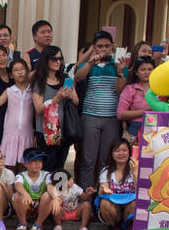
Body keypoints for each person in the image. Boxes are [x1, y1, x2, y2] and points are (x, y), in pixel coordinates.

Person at [73, 31, 127, 189]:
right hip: (90, 117)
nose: (103, 49)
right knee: (87, 159)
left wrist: (120, 72)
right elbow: (77, 77)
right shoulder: (89, 65)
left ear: (112, 47)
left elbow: (119, 90)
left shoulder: (118, 65)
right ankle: (86, 197)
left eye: (107, 46)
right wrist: (90, 63)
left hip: (111, 118)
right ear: (94, 48)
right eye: (99, 46)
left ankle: (102, 196)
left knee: (106, 160)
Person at [31, 45, 77, 174]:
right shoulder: (38, 81)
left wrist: (72, 95)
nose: (58, 62)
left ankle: (58, 194)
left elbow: (76, 101)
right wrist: (56, 98)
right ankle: (46, 194)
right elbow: (38, 108)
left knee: (60, 168)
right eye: (54, 59)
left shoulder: (65, 78)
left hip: (64, 130)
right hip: (46, 132)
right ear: (46, 60)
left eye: (60, 59)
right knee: (47, 168)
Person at [0, 57, 34, 167]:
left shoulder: (33, 91)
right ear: (11, 75)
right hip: (10, 133)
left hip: (26, 133)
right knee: (8, 165)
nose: (20, 72)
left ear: (27, 71)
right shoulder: (9, 91)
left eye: (22, 69)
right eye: (16, 70)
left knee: (25, 165)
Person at [12, 148, 58, 230]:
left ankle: (38, 224)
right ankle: (22, 223)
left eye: (40, 161)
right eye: (34, 161)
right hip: (26, 207)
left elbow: (50, 186)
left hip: (41, 208)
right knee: (18, 195)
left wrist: (55, 198)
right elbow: (18, 185)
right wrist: (25, 193)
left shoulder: (46, 174)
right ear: (25, 164)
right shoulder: (21, 175)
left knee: (48, 195)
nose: (37, 163)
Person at [97, 138, 136, 230]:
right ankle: (114, 228)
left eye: (124, 150)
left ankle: (128, 227)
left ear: (129, 152)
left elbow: (141, 192)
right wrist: (104, 189)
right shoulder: (106, 171)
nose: (121, 153)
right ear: (112, 153)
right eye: (117, 150)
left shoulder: (135, 168)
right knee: (104, 202)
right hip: (114, 209)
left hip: (129, 208)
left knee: (136, 202)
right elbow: (101, 189)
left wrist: (135, 172)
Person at [117, 56, 152, 142]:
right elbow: (120, 114)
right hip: (135, 131)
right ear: (136, 72)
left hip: (156, 131)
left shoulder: (160, 89)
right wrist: (143, 112)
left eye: (150, 69)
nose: (147, 72)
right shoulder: (130, 89)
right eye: (143, 70)